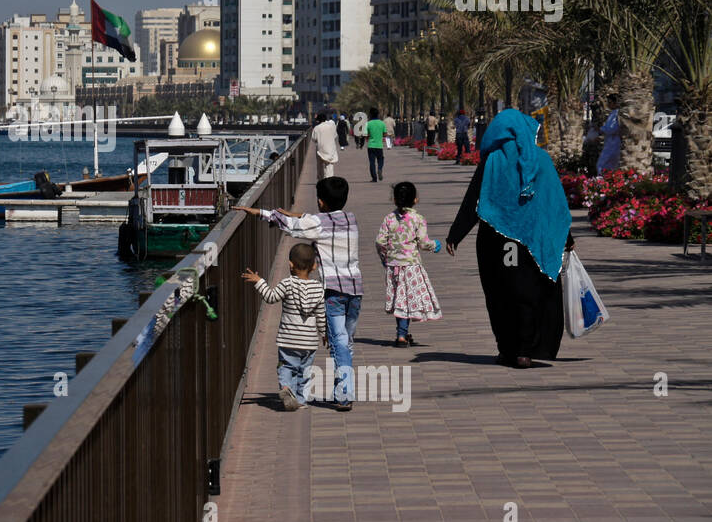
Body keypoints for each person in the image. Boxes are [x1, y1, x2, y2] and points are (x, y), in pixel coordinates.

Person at [445, 108, 574, 368]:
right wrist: (566, 237)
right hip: (534, 242)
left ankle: (508, 349)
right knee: (529, 292)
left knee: (501, 293)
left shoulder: (492, 161)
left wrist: (456, 234)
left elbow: (474, 200)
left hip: (498, 241)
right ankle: (527, 350)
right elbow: (554, 205)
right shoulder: (541, 160)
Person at [238, 176, 362, 411]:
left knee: (339, 343)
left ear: (320, 202)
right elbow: (311, 220)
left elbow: (293, 226)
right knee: (346, 342)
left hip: (334, 291)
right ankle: (343, 389)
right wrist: (298, 215)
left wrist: (260, 213)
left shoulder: (317, 224)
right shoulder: (351, 218)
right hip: (356, 291)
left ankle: (345, 394)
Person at [243, 242, 327, 410]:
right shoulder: (318, 288)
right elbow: (321, 316)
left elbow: (270, 297)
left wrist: (259, 281)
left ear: (290, 265)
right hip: (309, 341)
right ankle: (301, 400)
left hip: (288, 339)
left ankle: (286, 387)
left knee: (286, 365)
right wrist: (324, 334)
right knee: (305, 371)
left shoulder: (287, 284)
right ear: (314, 266)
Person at [375, 181, 443, 347]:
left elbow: (379, 240)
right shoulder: (417, 219)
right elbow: (423, 242)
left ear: (394, 200)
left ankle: (402, 333)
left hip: (393, 266)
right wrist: (434, 245)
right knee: (406, 299)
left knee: (399, 299)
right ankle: (401, 335)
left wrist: (386, 258)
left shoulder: (389, 218)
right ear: (415, 199)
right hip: (411, 265)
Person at [596, 94, 622, 174]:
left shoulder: (617, 114)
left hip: (614, 143)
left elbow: (613, 128)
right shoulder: (613, 113)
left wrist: (601, 130)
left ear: (615, 103)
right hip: (610, 143)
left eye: (610, 102)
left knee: (602, 164)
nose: (608, 104)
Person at [311, 112, 340, 180]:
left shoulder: (317, 128)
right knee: (329, 166)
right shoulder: (331, 127)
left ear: (318, 120)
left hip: (320, 149)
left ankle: (321, 180)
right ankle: (329, 180)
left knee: (320, 166)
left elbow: (314, 139)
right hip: (330, 149)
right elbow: (335, 136)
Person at [365, 107, 386, 182]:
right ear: (378, 114)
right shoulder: (382, 123)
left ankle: (374, 178)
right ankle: (380, 169)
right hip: (379, 145)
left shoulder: (368, 124)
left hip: (371, 145)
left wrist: (368, 137)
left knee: (372, 162)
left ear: (370, 114)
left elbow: (366, 135)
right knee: (381, 159)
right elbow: (385, 134)